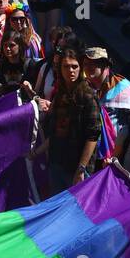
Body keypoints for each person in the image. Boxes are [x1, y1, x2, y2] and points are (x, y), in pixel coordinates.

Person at [41, 46, 102, 191]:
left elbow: (92, 136)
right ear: (60, 69)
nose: (71, 71)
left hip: (77, 168)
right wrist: (36, 152)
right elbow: (56, 130)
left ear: (80, 68)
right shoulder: (60, 94)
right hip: (57, 163)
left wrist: (81, 169)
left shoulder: (88, 96)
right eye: (66, 66)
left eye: (74, 66)